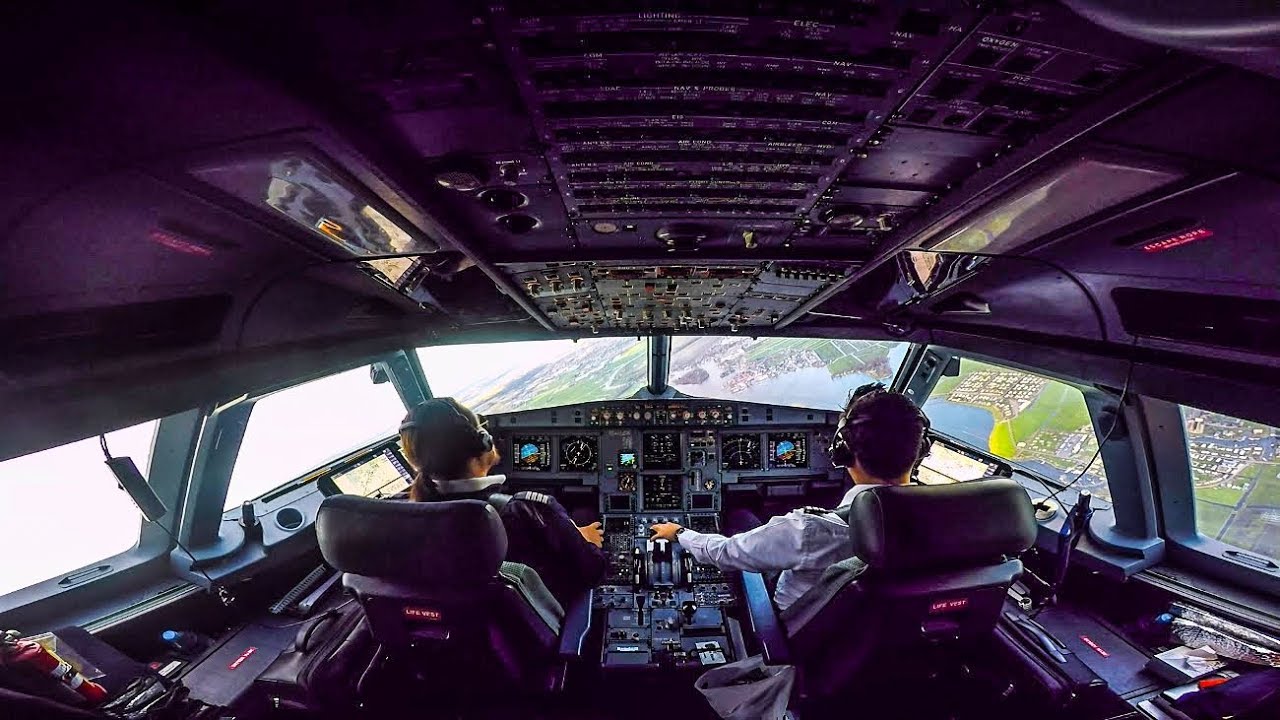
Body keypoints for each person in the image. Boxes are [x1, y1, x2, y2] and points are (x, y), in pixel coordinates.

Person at [650, 384, 930, 611]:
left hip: (798, 624)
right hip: (868, 635)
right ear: (919, 451)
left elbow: (725, 553)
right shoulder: (946, 521)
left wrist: (679, 533)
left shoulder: (812, 530)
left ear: (841, 450)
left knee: (740, 517)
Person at [400, 397, 606, 606]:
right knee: (584, 513)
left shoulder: (409, 516)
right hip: (545, 615)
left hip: (484, 622)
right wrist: (580, 539)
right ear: (483, 441)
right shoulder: (530, 510)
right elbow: (594, 570)